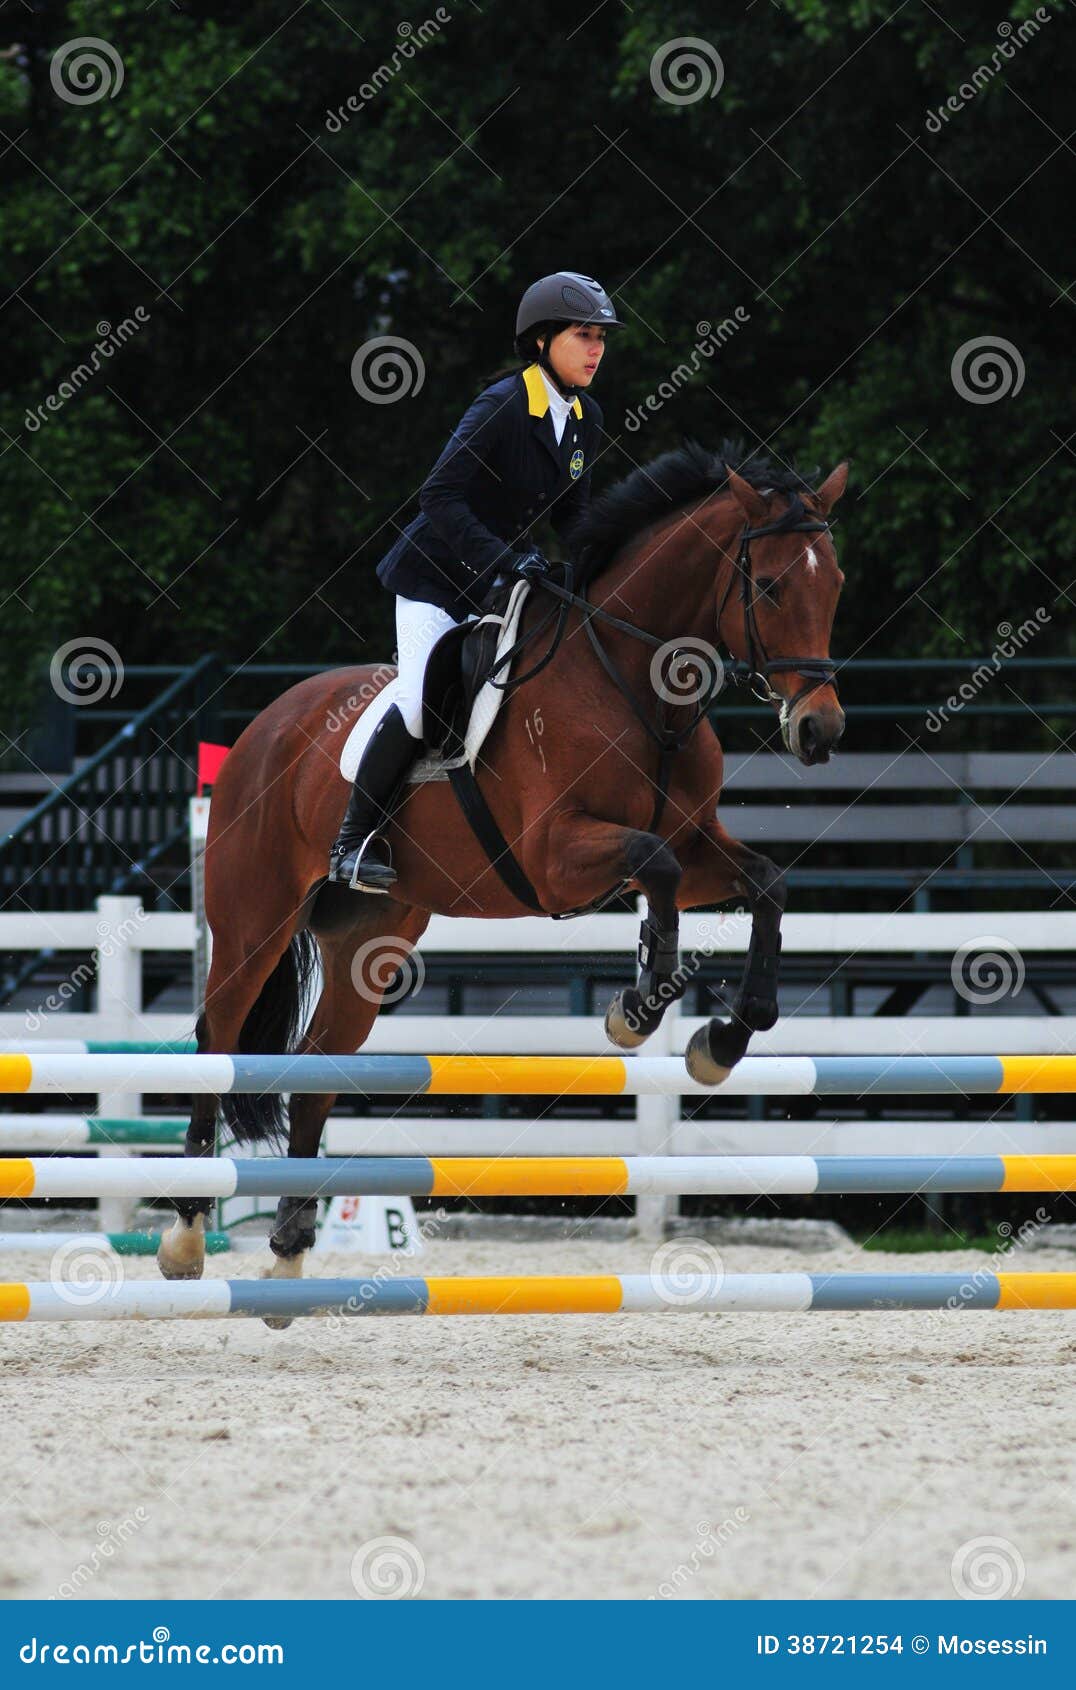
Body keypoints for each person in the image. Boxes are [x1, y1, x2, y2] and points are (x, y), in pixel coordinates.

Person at [328, 270, 624, 892]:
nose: (596, 349)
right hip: (434, 578)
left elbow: (573, 516)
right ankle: (351, 842)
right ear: (541, 340)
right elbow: (439, 496)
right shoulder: (503, 404)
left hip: (498, 580)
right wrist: (505, 559)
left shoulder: (584, 415)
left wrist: (608, 564)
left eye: (601, 338)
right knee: (419, 702)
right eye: (583, 335)